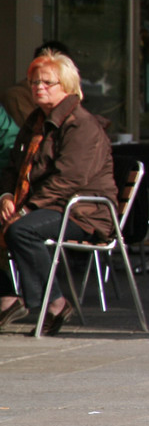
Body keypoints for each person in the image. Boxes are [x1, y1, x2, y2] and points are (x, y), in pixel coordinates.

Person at [0, 53, 117, 335]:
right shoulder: (36, 121)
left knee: (22, 230)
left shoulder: (81, 123)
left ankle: (55, 302)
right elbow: (14, 166)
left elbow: (70, 179)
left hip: (83, 211)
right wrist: (5, 195)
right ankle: (7, 296)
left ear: (65, 85)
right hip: (46, 206)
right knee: (16, 225)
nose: (38, 87)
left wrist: (26, 209)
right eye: (34, 82)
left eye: (47, 82)